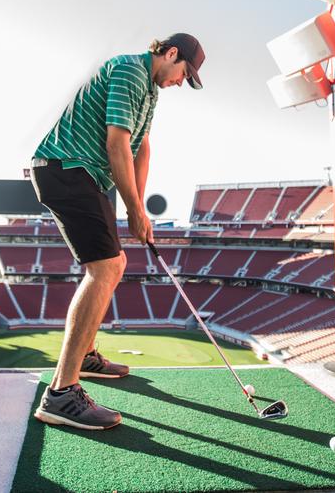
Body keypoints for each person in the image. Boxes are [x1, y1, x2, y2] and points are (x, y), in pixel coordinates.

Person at [29, 33, 205, 430]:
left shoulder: (150, 90)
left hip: (81, 174)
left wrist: (139, 207)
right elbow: (117, 144)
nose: (181, 82)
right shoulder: (129, 70)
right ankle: (61, 394)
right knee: (105, 268)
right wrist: (134, 210)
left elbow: (141, 148)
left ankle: (86, 356)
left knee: (115, 263)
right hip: (66, 168)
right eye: (183, 73)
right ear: (170, 53)